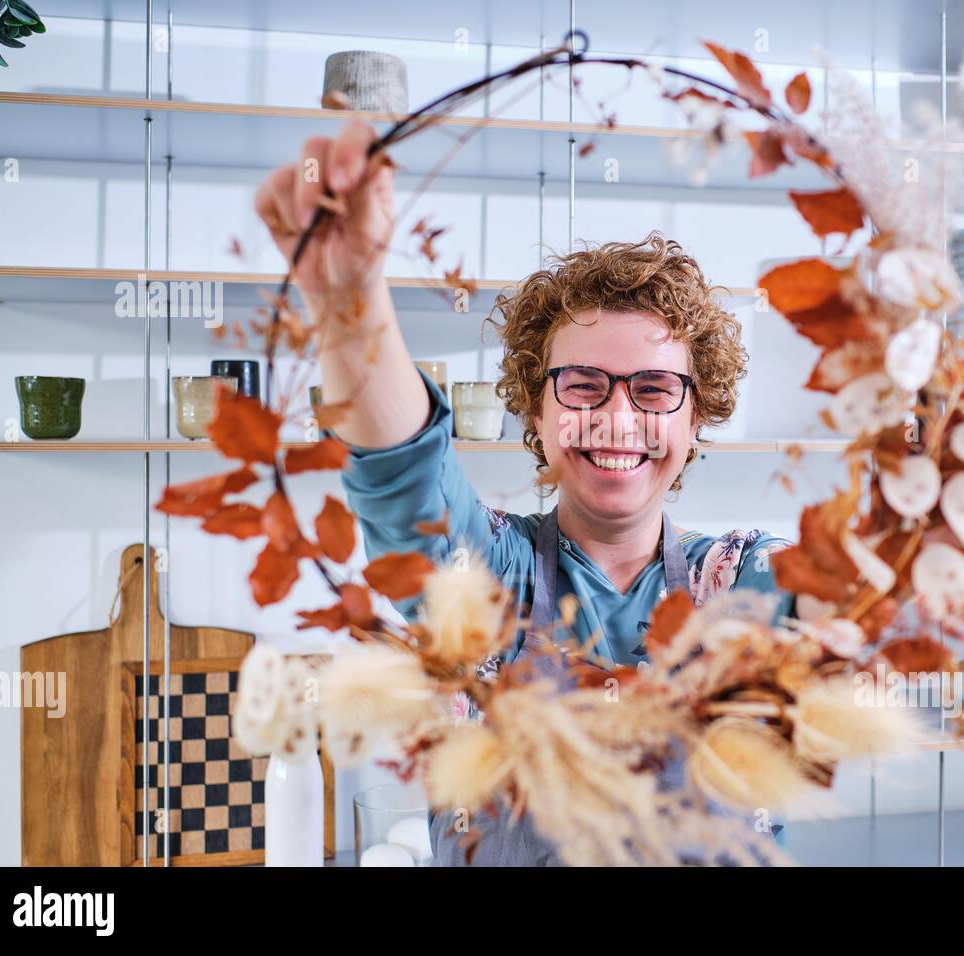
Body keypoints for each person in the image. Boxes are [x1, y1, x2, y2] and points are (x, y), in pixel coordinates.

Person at [255, 118, 797, 865]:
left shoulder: (739, 583)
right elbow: (408, 485)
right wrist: (349, 305)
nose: (616, 418)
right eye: (581, 385)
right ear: (537, 412)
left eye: (652, 388)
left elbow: (850, 594)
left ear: (695, 416)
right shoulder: (494, 583)